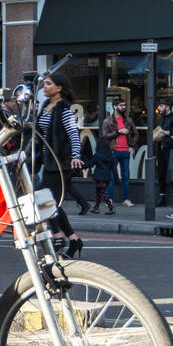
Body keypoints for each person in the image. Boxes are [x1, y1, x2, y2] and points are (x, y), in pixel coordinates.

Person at [35, 71, 84, 258]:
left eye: (48, 84)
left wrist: (75, 155)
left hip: (60, 162)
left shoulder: (64, 109)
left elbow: (73, 133)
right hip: (48, 161)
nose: (45, 87)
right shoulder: (46, 106)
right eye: (44, 84)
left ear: (59, 88)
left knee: (45, 200)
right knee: (48, 201)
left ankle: (59, 236)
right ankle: (72, 240)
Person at [100, 97, 137, 207]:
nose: (124, 107)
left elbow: (136, 133)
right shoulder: (107, 121)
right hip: (113, 151)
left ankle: (126, 199)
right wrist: (118, 131)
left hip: (125, 151)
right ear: (115, 107)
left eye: (125, 105)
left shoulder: (128, 120)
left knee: (125, 176)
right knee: (111, 177)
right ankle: (110, 199)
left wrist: (132, 145)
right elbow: (105, 137)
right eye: (121, 105)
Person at [151, 97, 173, 207]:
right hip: (161, 148)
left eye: (161, 106)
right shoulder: (162, 118)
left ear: (167, 107)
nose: (158, 108)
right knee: (161, 173)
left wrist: (165, 132)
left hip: (171, 149)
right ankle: (162, 196)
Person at [82, 135, 116, 215]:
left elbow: (90, 164)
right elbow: (114, 168)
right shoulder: (111, 155)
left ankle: (111, 207)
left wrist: (80, 166)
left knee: (103, 193)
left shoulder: (97, 155)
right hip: (107, 177)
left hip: (99, 176)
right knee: (98, 192)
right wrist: (116, 178)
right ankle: (96, 208)